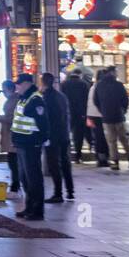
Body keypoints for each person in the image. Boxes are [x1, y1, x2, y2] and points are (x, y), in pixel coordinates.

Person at [9, 73, 48, 221]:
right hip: (21, 143)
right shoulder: (23, 99)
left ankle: (37, 210)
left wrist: (43, 139)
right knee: (25, 178)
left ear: (27, 84)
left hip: (31, 144)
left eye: (19, 84)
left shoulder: (35, 99)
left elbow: (43, 122)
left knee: (34, 178)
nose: (16, 86)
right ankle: (29, 206)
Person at [40, 72, 74, 202]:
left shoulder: (46, 98)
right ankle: (70, 191)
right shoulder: (61, 96)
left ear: (43, 82)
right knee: (65, 163)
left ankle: (58, 193)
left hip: (53, 135)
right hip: (64, 134)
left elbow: (48, 118)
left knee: (54, 164)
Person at [95, 66, 129, 170]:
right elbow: (125, 99)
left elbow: (95, 101)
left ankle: (115, 162)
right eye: (116, 71)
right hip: (118, 116)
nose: (117, 73)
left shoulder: (99, 85)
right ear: (112, 72)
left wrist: (102, 111)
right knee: (124, 139)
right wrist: (123, 110)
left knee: (111, 141)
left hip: (106, 117)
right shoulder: (119, 85)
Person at [0, 79, 21, 195]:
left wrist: (1, 118)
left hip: (13, 135)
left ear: (10, 89)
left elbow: (12, 118)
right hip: (10, 134)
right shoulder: (13, 99)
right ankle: (16, 185)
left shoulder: (14, 100)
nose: (3, 92)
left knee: (14, 162)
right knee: (13, 161)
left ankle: (15, 187)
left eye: (4, 89)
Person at [62, 68, 90, 162]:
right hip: (80, 113)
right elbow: (87, 100)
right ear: (80, 74)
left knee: (66, 133)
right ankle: (78, 155)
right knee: (78, 135)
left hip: (67, 112)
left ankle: (67, 154)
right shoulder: (84, 84)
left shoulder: (64, 84)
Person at [85, 71, 108, 167]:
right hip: (98, 115)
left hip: (92, 115)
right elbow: (99, 102)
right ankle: (102, 159)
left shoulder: (93, 87)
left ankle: (100, 157)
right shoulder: (100, 87)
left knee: (98, 137)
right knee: (101, 138)